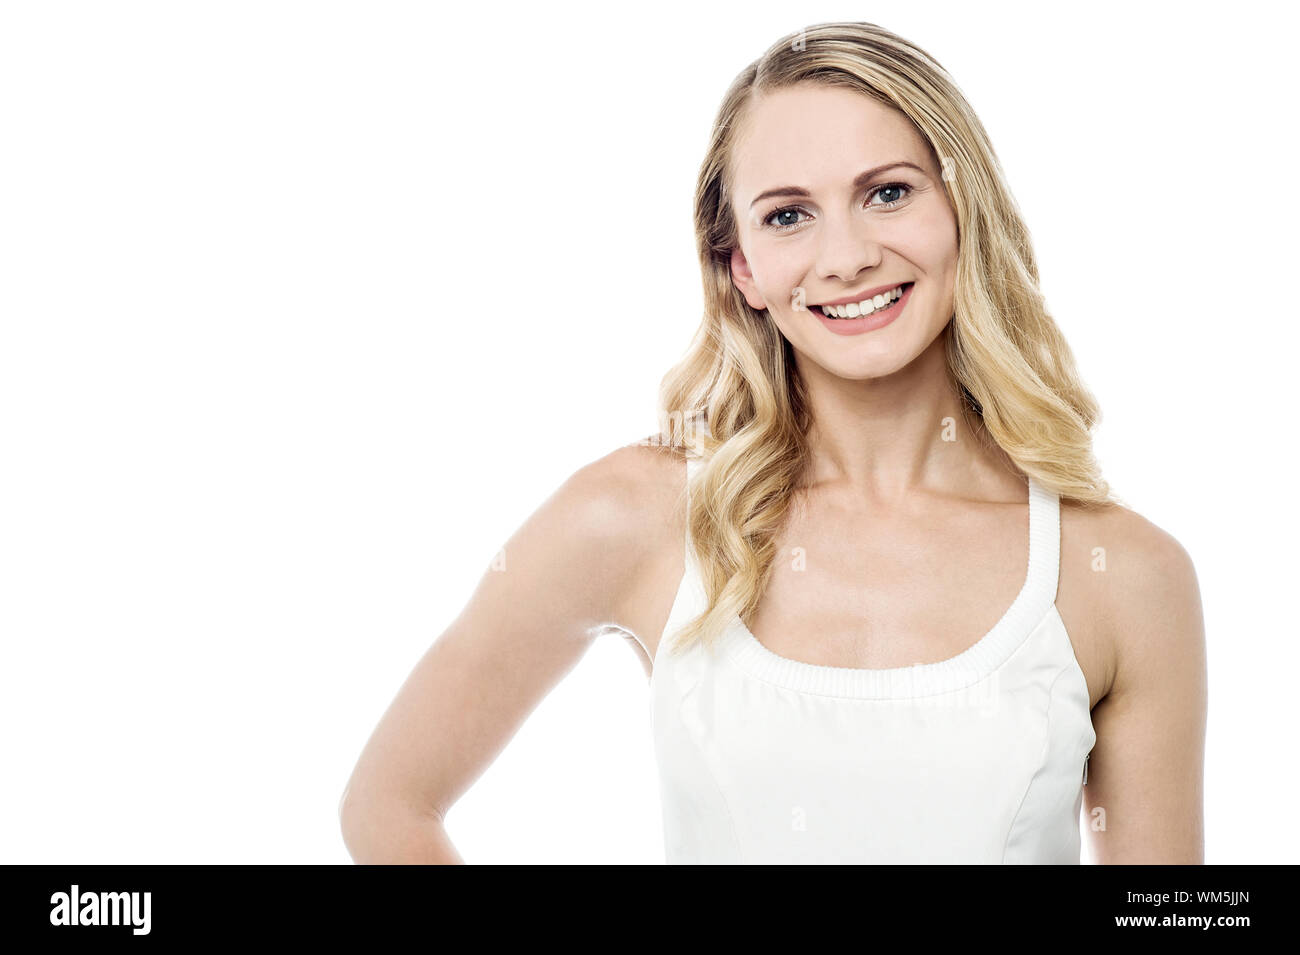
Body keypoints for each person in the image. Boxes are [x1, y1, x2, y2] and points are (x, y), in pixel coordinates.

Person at [338, 21, 1206, 865]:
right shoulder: (638, 517)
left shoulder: (1123, 573)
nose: (847, 256)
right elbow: (389, 807)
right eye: (789, 215)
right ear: (741, 265)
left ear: (962, 206)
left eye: (889, 192)